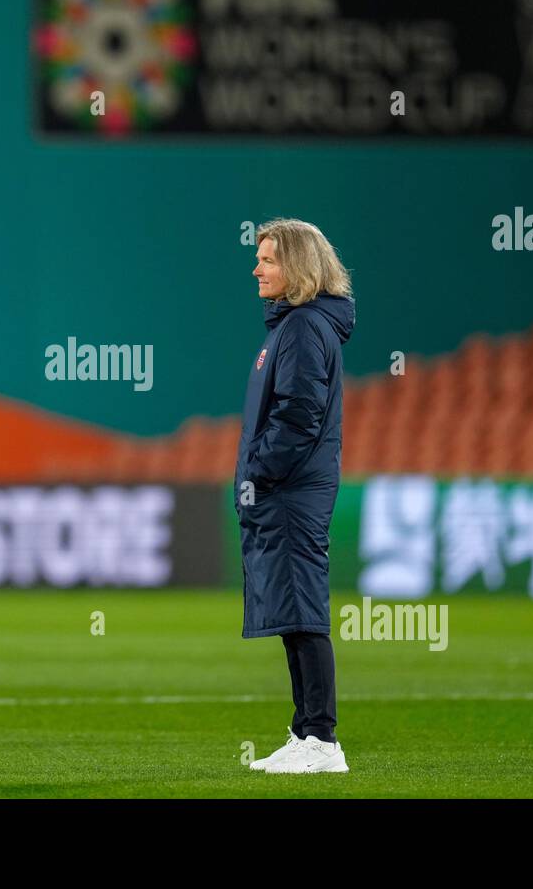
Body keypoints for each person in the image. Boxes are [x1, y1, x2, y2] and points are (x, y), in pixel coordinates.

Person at [235, 218, 355, 775]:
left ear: (299, 267)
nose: (257, 268)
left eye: (268, 259)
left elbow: (299, 415)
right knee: (291, 608)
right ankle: (304, 729)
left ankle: (323, 740)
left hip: (292, 489)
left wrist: (259, 470)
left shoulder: (304, 327)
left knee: (303, 609)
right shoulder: (294, 325)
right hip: (289, 488)